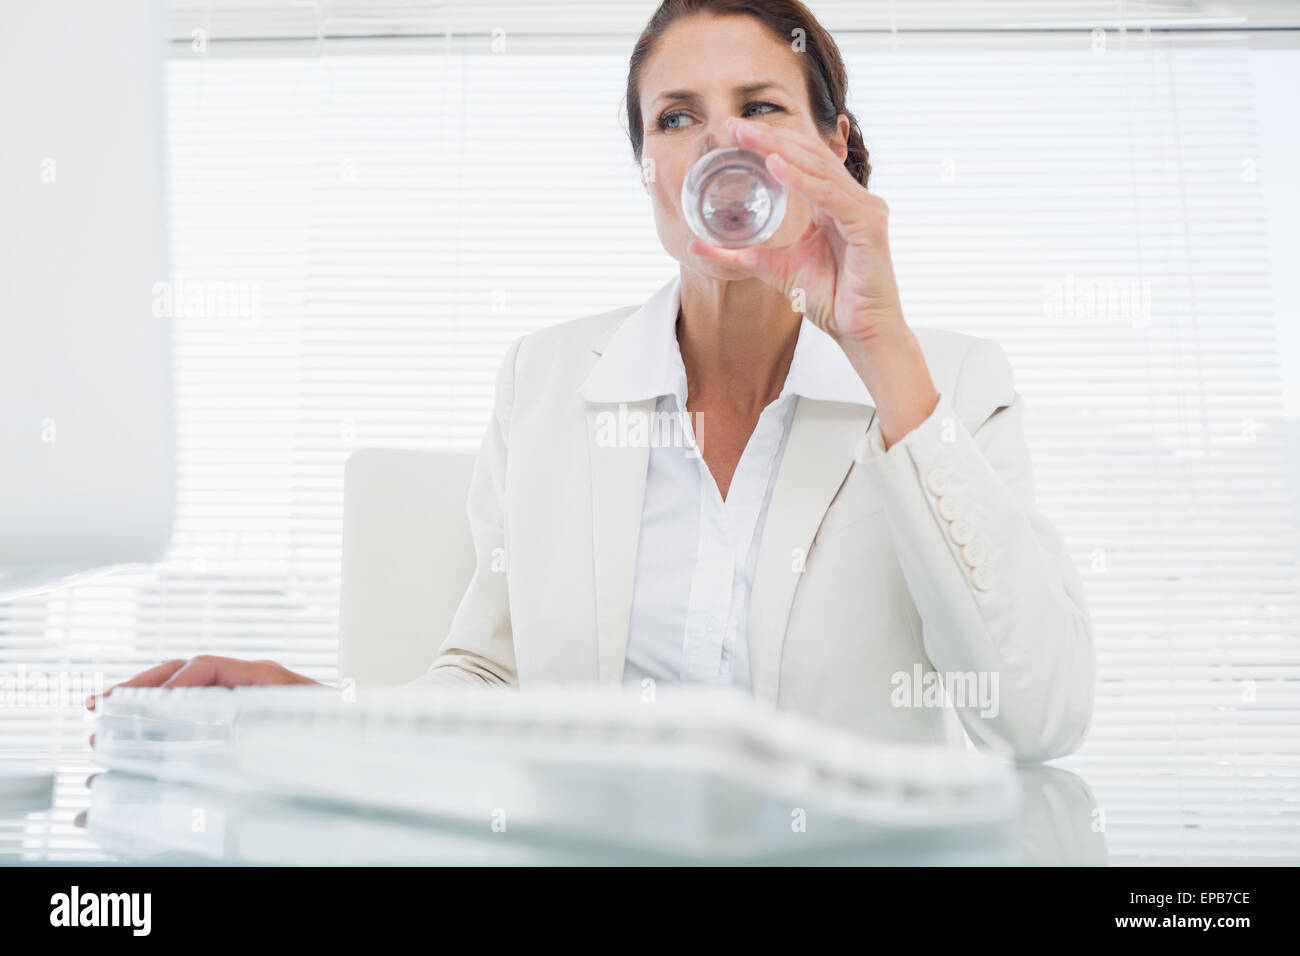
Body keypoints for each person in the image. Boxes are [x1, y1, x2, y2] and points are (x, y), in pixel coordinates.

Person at [90, 0, 1094, 761]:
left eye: (760, 108)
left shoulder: (947, 382)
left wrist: (878, 346)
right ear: (648, 170)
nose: (720, 145)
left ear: (830, 147)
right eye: (675, 118)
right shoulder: (543, 382)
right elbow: (492, 679)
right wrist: (317, 707)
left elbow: (1037, 712)